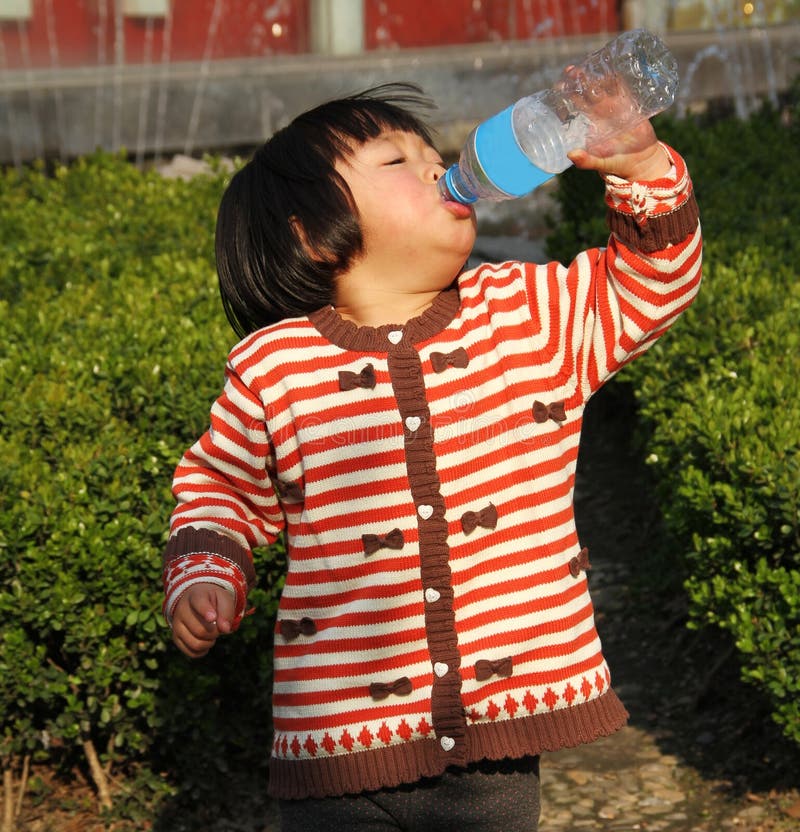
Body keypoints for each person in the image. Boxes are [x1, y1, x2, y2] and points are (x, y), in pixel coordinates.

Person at [162, 82, 701, 831]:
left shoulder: (525, 316)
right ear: (316, 236)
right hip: (338, 739)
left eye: (430, 153)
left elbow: (649, 285)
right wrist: (205, 571)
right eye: (395, 159)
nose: (434, 166)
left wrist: (642, 167)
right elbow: (221, 489)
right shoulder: (274, 368)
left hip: (495, 735)